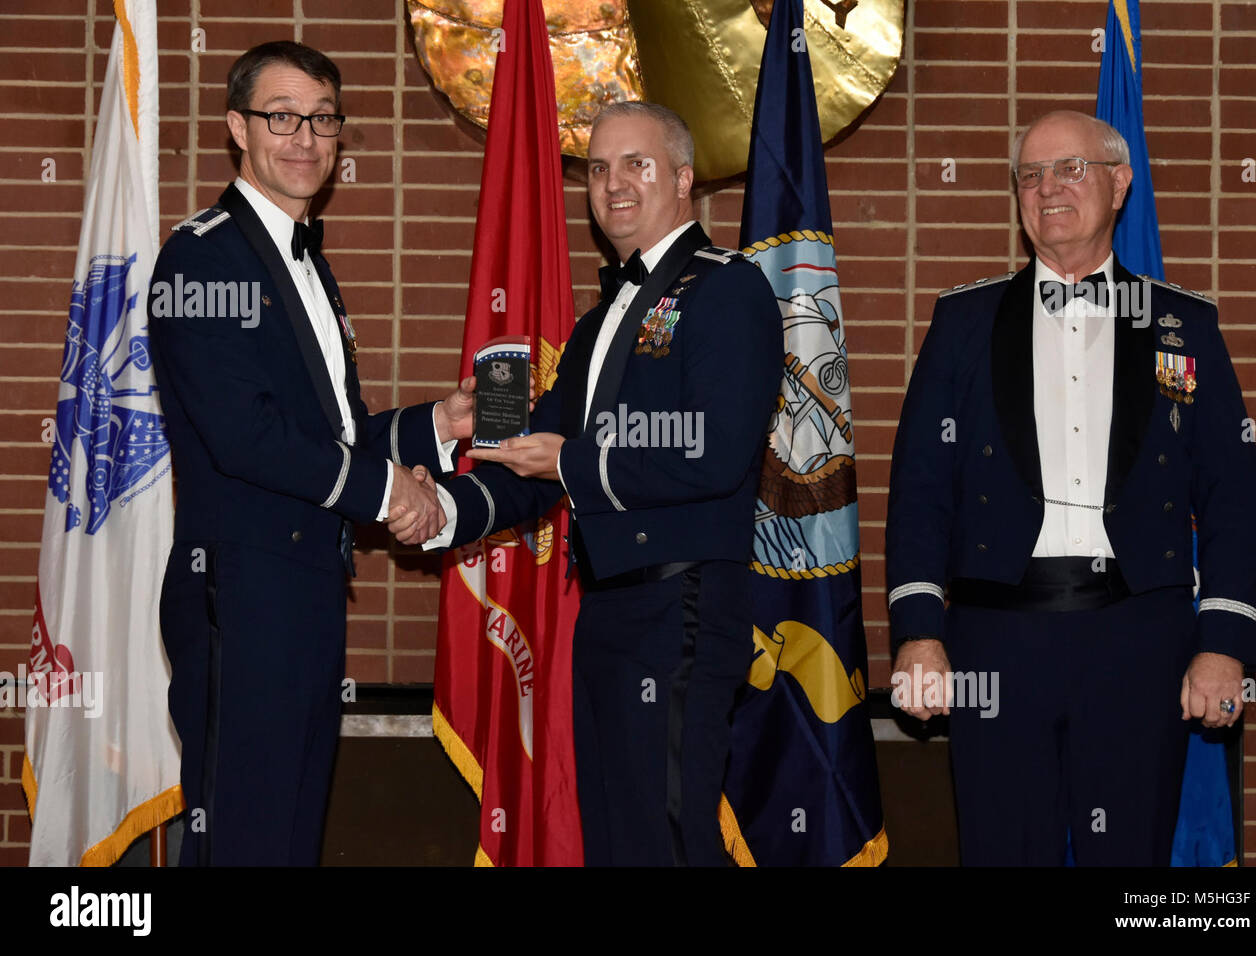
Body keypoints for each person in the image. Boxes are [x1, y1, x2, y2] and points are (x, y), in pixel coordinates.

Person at [400, 102, 783, 866]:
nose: (613, 185)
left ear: (682, 180)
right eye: (599, 169)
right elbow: (526, 460)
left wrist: (572, 463)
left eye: (636, 164)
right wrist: (441, 506)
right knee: (615, 838)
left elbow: (716, 452)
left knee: (668, 837)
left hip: (684, 603)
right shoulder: (599, 319)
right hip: (609, 609)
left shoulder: (727, 290)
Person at [885, 110, 1256, 866]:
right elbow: (920, 488)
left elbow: (1231, 499)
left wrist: (1223, 643)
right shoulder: (962, 322)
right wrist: (918, 634)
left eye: (1070, 169)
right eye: (1030, 174)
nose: (1047, 188)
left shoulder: (1183, 325)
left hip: (1138, 636)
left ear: (1121, 184)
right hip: (997, 636)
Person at [148, 41, 465, 865]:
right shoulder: (203, 256)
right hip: (240, 594)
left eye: (323, 119)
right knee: (245, 836)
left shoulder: (304, 260)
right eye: (281, 117)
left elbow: (332, 436)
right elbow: (246, 437)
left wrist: (441, 423)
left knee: (289, 838)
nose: (305, 138)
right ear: (237, 130)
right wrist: (388, 491)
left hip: (306, 591)